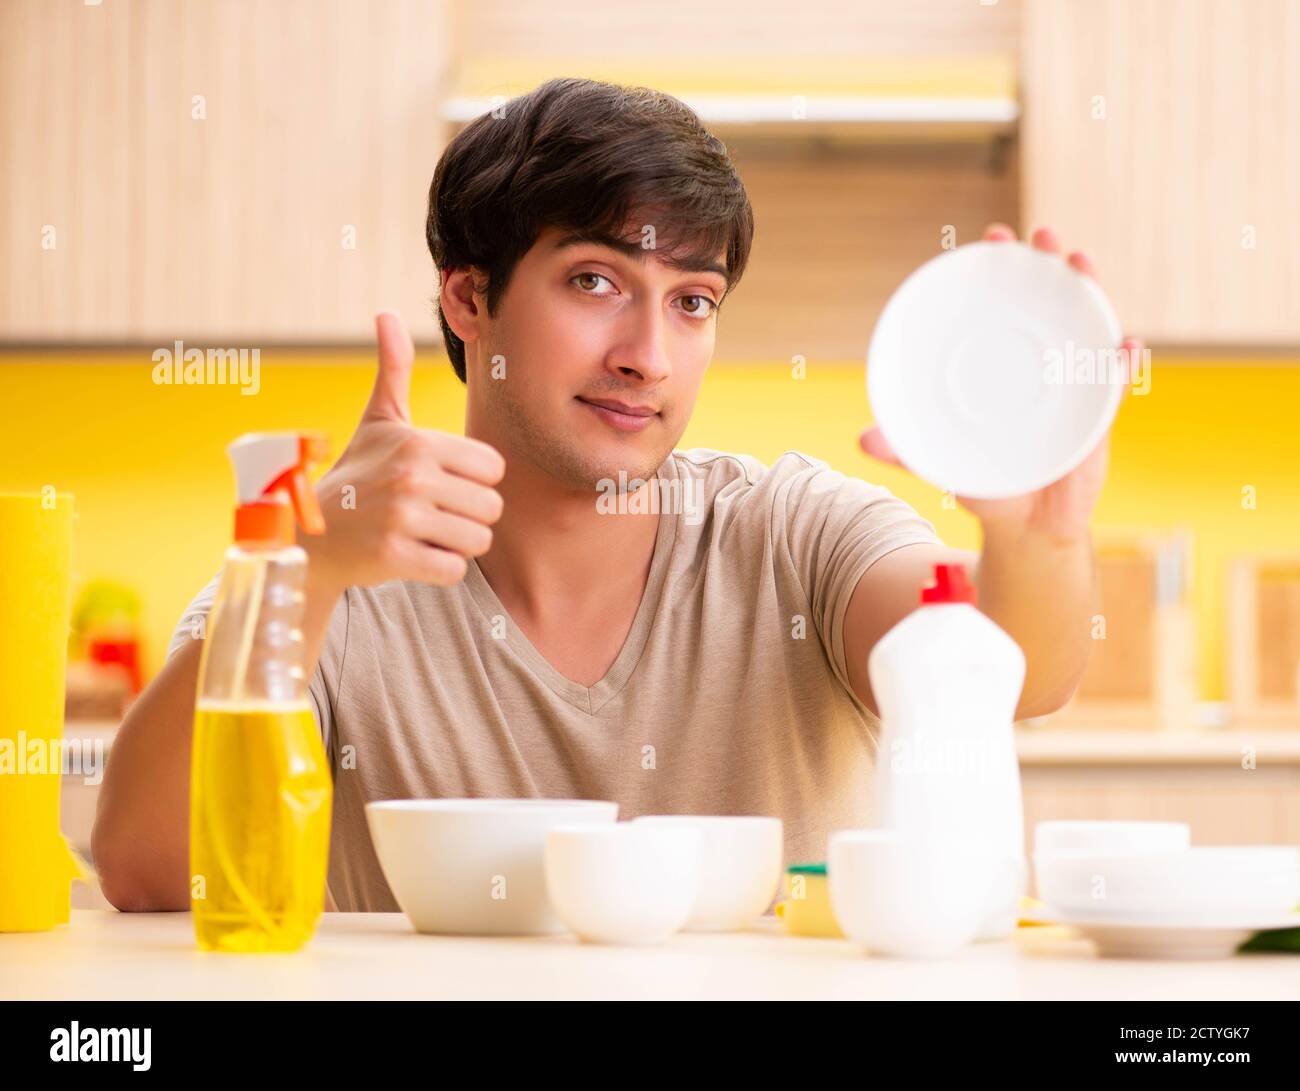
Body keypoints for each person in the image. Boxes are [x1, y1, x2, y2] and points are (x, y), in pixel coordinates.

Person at [93, 77, 1143, 912]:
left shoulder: (790, 531)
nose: (648, 355)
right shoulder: (331, 574)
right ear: (469, 297)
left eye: (691, 302)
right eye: (595, 281)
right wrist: (303, 565)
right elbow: (148, 868)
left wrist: (1033, 532)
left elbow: (1012, 678)